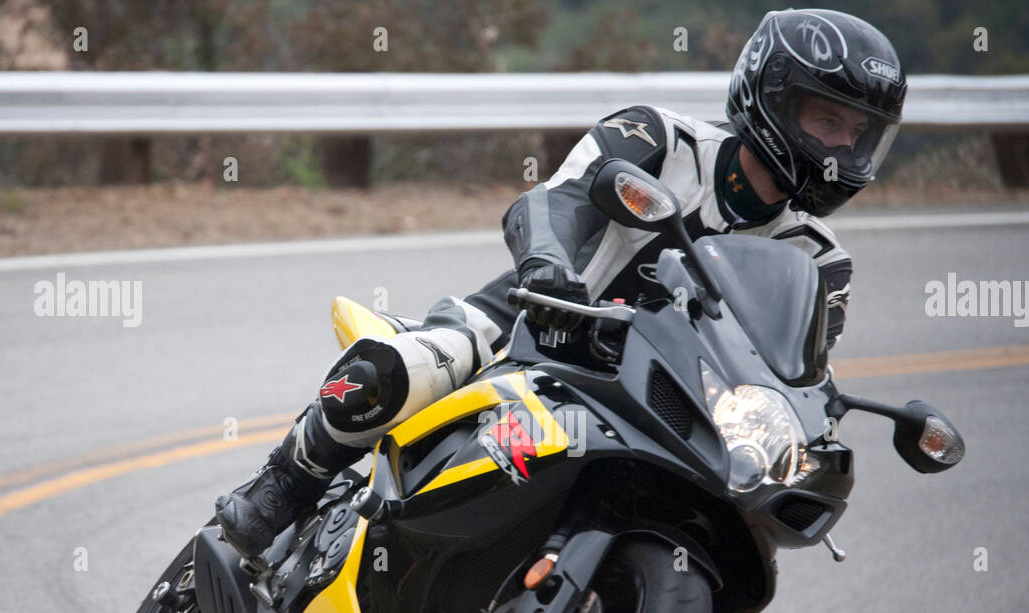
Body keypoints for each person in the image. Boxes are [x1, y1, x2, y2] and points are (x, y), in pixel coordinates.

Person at [214, 7, 907, 561]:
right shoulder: (661, 138)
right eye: (827, 121)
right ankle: (282, 486)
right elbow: (550, 201)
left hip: (656, 407)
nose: (843, 151)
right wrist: (549, 266)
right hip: (527, 329)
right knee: (390, 371)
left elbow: (793, 369)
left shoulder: (822, 260)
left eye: (859, 134)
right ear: (773, 97)